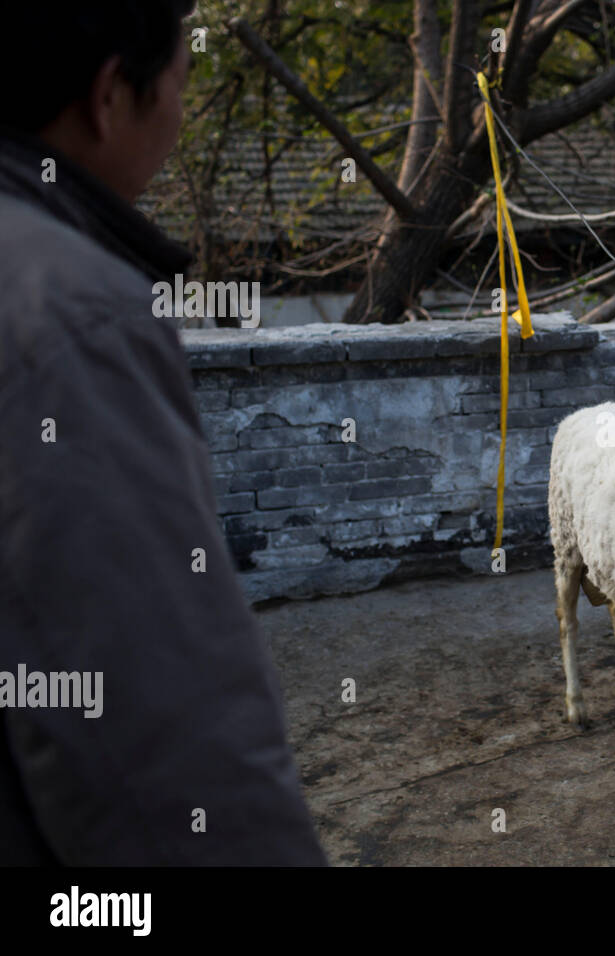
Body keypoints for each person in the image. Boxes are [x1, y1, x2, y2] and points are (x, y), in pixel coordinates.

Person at [0, 2, 327, 864]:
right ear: (112, 95)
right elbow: (155, 733)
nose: (181, 117)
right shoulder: (69, 317)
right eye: (180, 83)